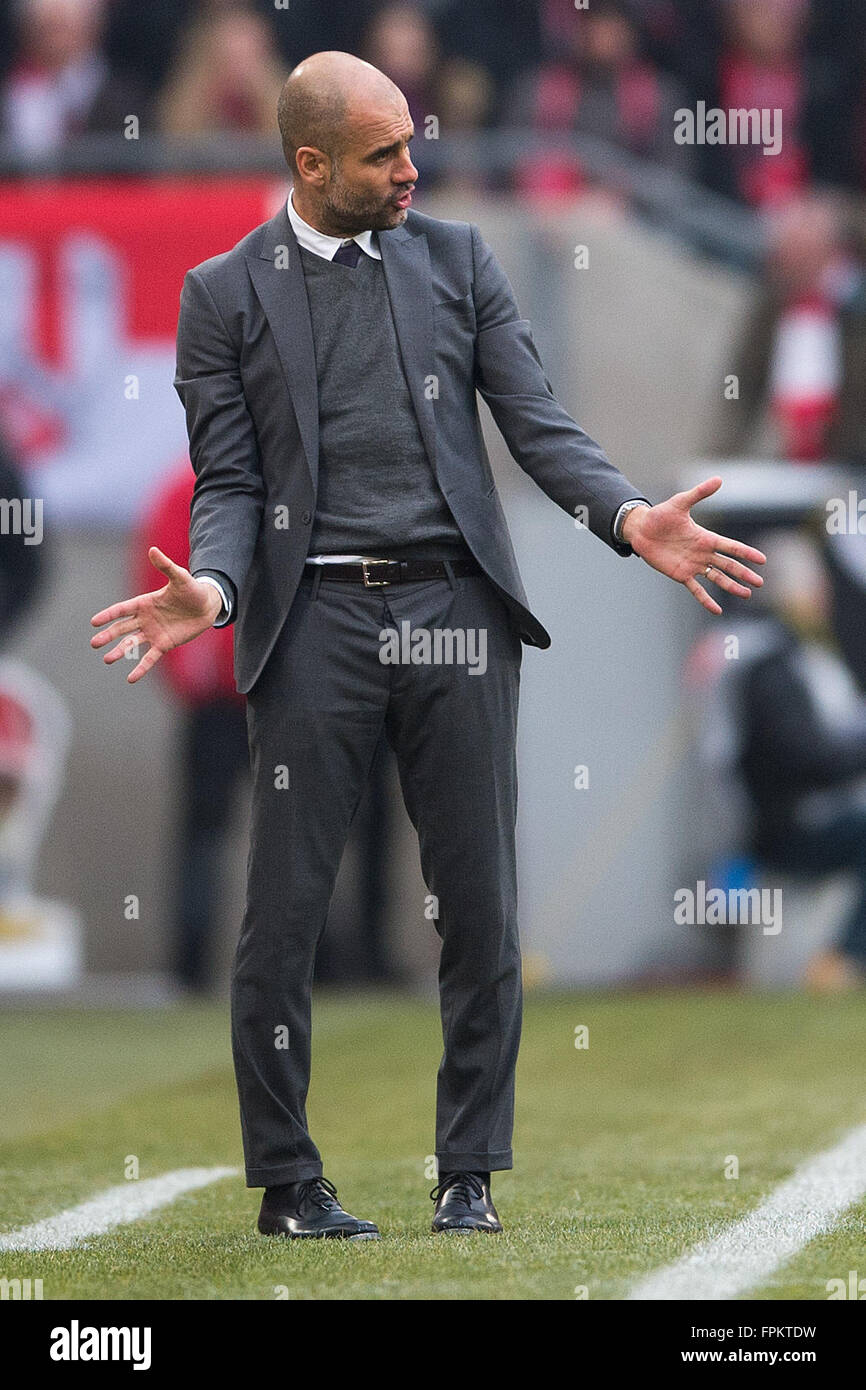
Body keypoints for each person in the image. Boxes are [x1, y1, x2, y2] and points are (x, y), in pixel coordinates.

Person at [90, 49, 765, 1240]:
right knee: (282, 916)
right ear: (311, 165)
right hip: (314, 623)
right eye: (383, 154)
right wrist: (212, 582)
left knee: (481, 907)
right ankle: (289, 1185)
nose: (414, 168)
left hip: (455, 608)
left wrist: (622, 514)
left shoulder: (456, 259)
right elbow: (233, 482)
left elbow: (538, 422)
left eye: (411, 144)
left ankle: (467, 1171)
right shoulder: (223, 293)